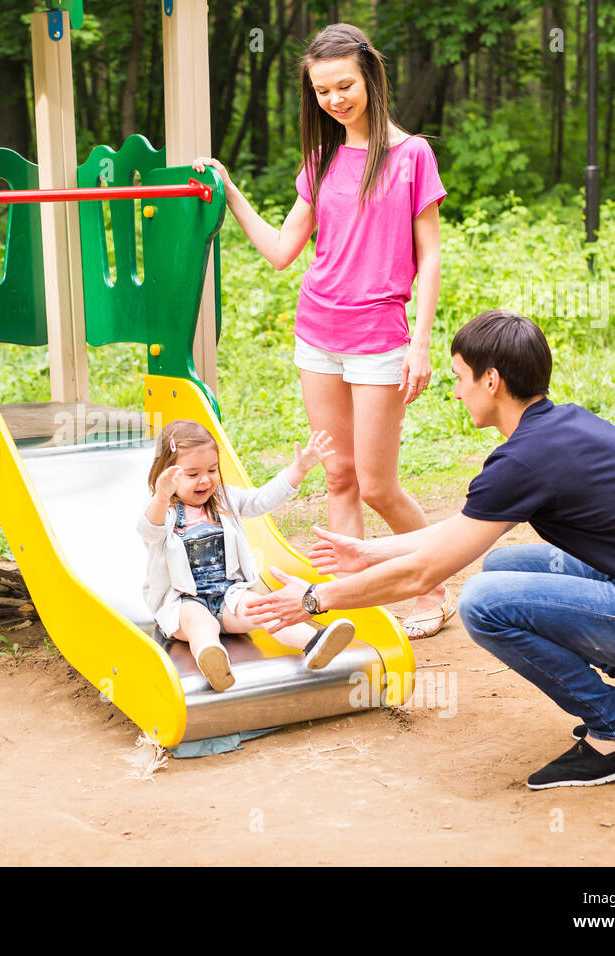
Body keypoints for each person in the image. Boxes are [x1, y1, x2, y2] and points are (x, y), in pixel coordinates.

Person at [245, 310, 615, 789]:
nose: (455, 390)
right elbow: (463, 529)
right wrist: (369, 551)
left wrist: (313, 600)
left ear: (491, 380)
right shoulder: (554, 428)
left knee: (483, 602)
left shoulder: (524, 461)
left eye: (460, 377)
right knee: (503, 564)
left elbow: (421, 578)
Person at [192, 21, 453, 641]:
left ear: (370, 78)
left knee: (379, 483)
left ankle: (434, 589)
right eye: (322, 91)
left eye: (345, 85)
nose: (334, 99)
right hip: (317, 336)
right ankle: (351, 607)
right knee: (338, 477)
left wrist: (421, 344)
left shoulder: (412, 154)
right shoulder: (321, 159)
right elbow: (285, 251)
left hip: (381, 340)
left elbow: (432, 256)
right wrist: (230, 193)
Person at [138, 419, 355, 692]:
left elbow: (262, 500)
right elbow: (149, 531)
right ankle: (212, 659)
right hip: (183, 602)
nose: (205, 479)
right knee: (199, 622)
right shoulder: (164, 513)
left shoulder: (225, 500)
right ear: (169, 476)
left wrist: (299, 469)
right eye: (192, 474)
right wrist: (160, 497)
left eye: (212, 470)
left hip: (230, 596)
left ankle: (315, 643)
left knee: (265, 608)